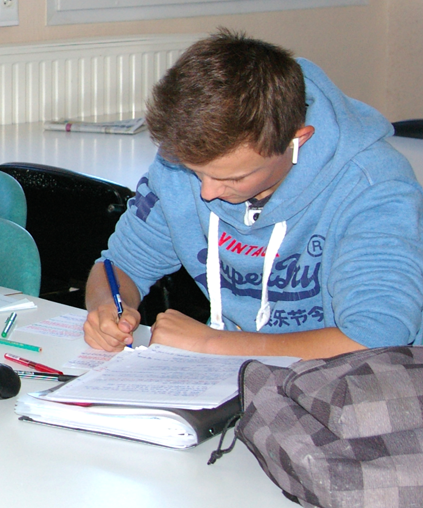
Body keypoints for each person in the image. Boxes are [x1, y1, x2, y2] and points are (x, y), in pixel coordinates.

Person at [83, 29, 423, 359]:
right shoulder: (183, 162)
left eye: (234, 177)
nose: (207, 191)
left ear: (296, 141)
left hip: (350, 389)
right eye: (196, 173)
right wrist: (106, 310)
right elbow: (119, 267)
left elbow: (378, 341)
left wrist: (211, 344)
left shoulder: (372, 186)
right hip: (235, 378)